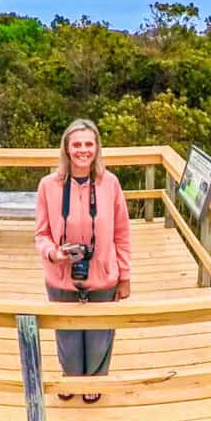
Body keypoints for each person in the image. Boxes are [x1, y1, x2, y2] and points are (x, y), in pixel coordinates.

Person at [34, 119, 131, 403]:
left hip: (102, 275)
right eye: (76, 144)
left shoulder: (109, 183)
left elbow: (122, 233)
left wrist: (124, 276)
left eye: (89, 144)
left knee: (100, 336)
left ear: (97, 148)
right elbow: (41, 234)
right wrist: (54, 253)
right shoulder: (48, 185)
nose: (83, 150)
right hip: (62, 276)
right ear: (66, 147)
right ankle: (71, 376)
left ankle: (96, 380)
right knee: (67, 335)